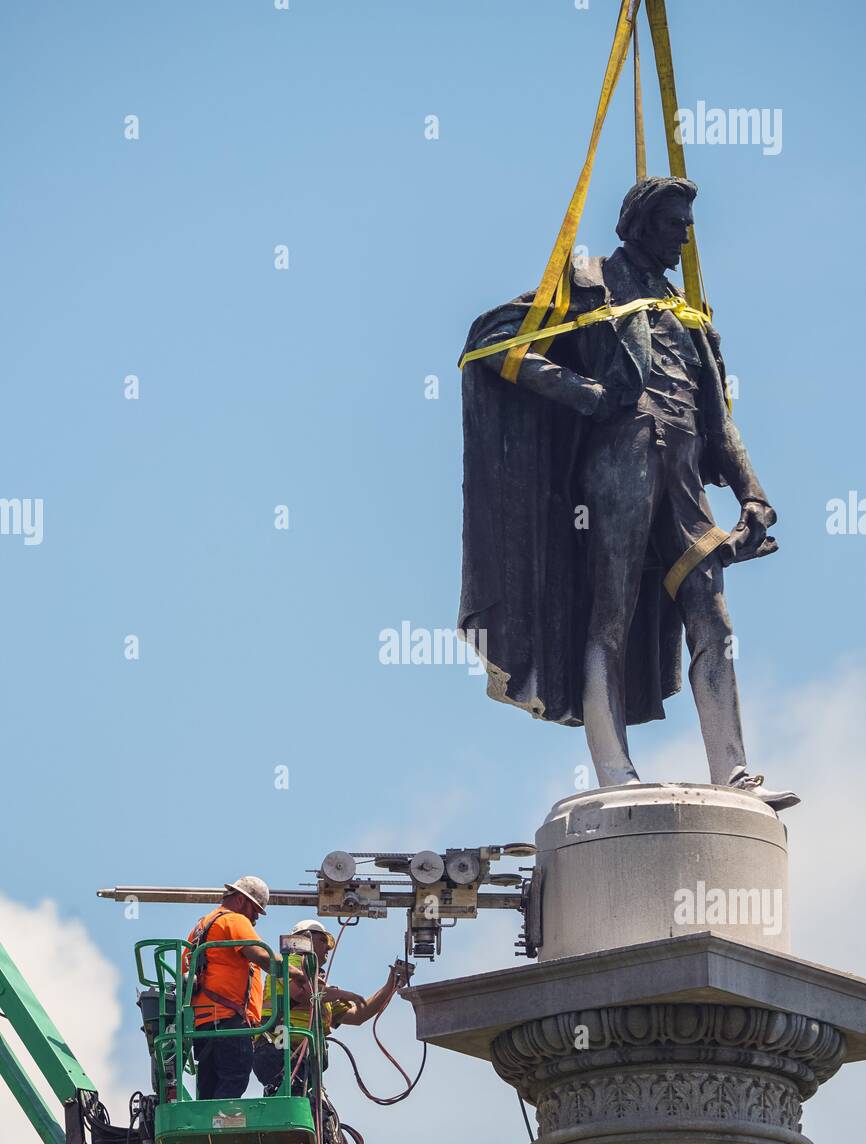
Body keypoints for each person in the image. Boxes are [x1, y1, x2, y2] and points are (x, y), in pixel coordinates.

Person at [459, 176, 798, 810]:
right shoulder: (588, 283)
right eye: (674, 223)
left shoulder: (685, 312)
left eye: (687, 224)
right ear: (639, 224)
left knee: (713, 616)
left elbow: (718, 417)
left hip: (686, 469)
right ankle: (614, 771)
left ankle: (735, 773)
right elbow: (491, 342)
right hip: (620, 461)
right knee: (611, 612)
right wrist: (585, 394)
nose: (685, 235)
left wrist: (754, 497)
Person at [252, 920, 404, 1097]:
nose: (328, 948)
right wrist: (343, 994)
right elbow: (300, 993)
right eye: (323, 940)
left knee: (315, 1110)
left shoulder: (322, 987)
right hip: (277, 1049)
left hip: (301, 1058)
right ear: (306, 938)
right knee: (291, 1100)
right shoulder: (290, 961)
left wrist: (391, 985)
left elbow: (357, 1015)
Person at [184, 875, 271, 1100]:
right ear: (241, 900)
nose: (255, 919)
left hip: (202, 1024)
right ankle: (222, 1126)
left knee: (209, 1087)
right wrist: (294, 971)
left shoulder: (200, 928)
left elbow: (185, 968)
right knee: (234, 1079)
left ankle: (206, 1131)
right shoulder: (234, 920)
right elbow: (260, 956)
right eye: (255, 911)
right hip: (229, 1022)